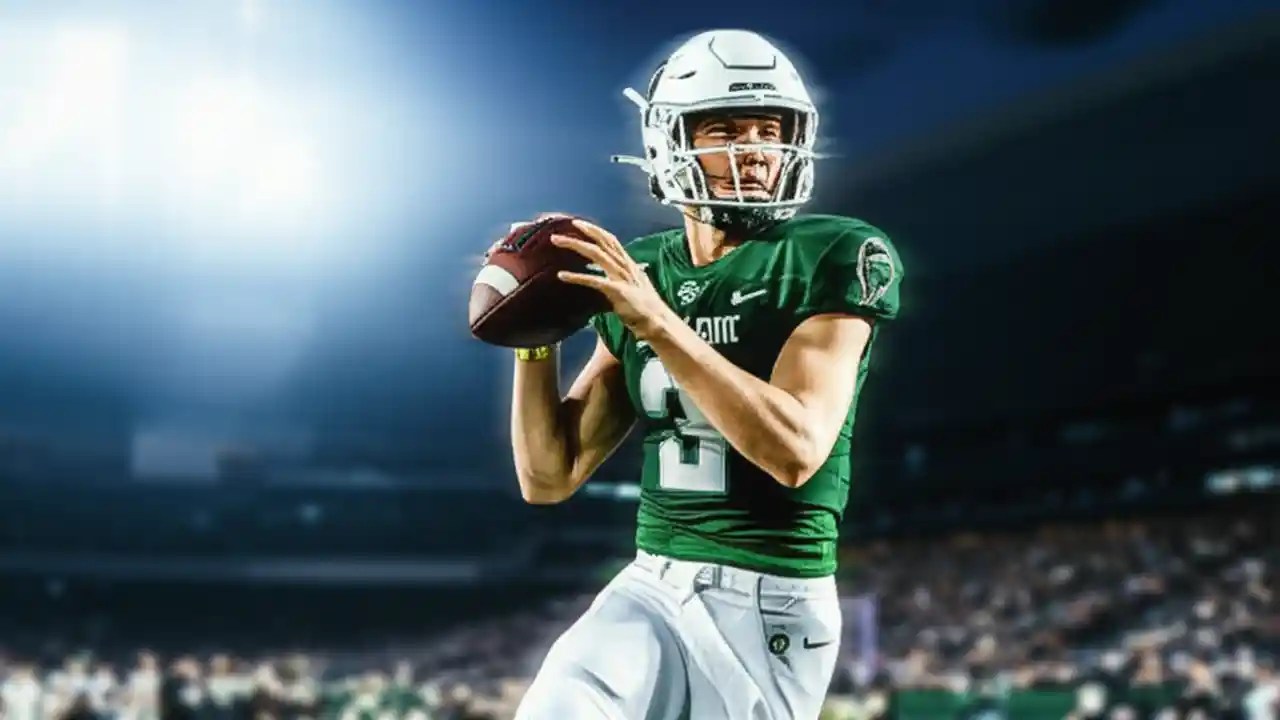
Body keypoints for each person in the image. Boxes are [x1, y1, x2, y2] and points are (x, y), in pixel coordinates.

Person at [500, 29, 904, 720]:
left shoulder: (833, 252)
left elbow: (795, 451)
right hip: (651, 581)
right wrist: (532, 337)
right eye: (725, 129)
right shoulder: (645, 267)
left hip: (771, 603)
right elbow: (548, 476)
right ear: (668, 141)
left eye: (769, 129)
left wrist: (656, 320)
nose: (754, 149)